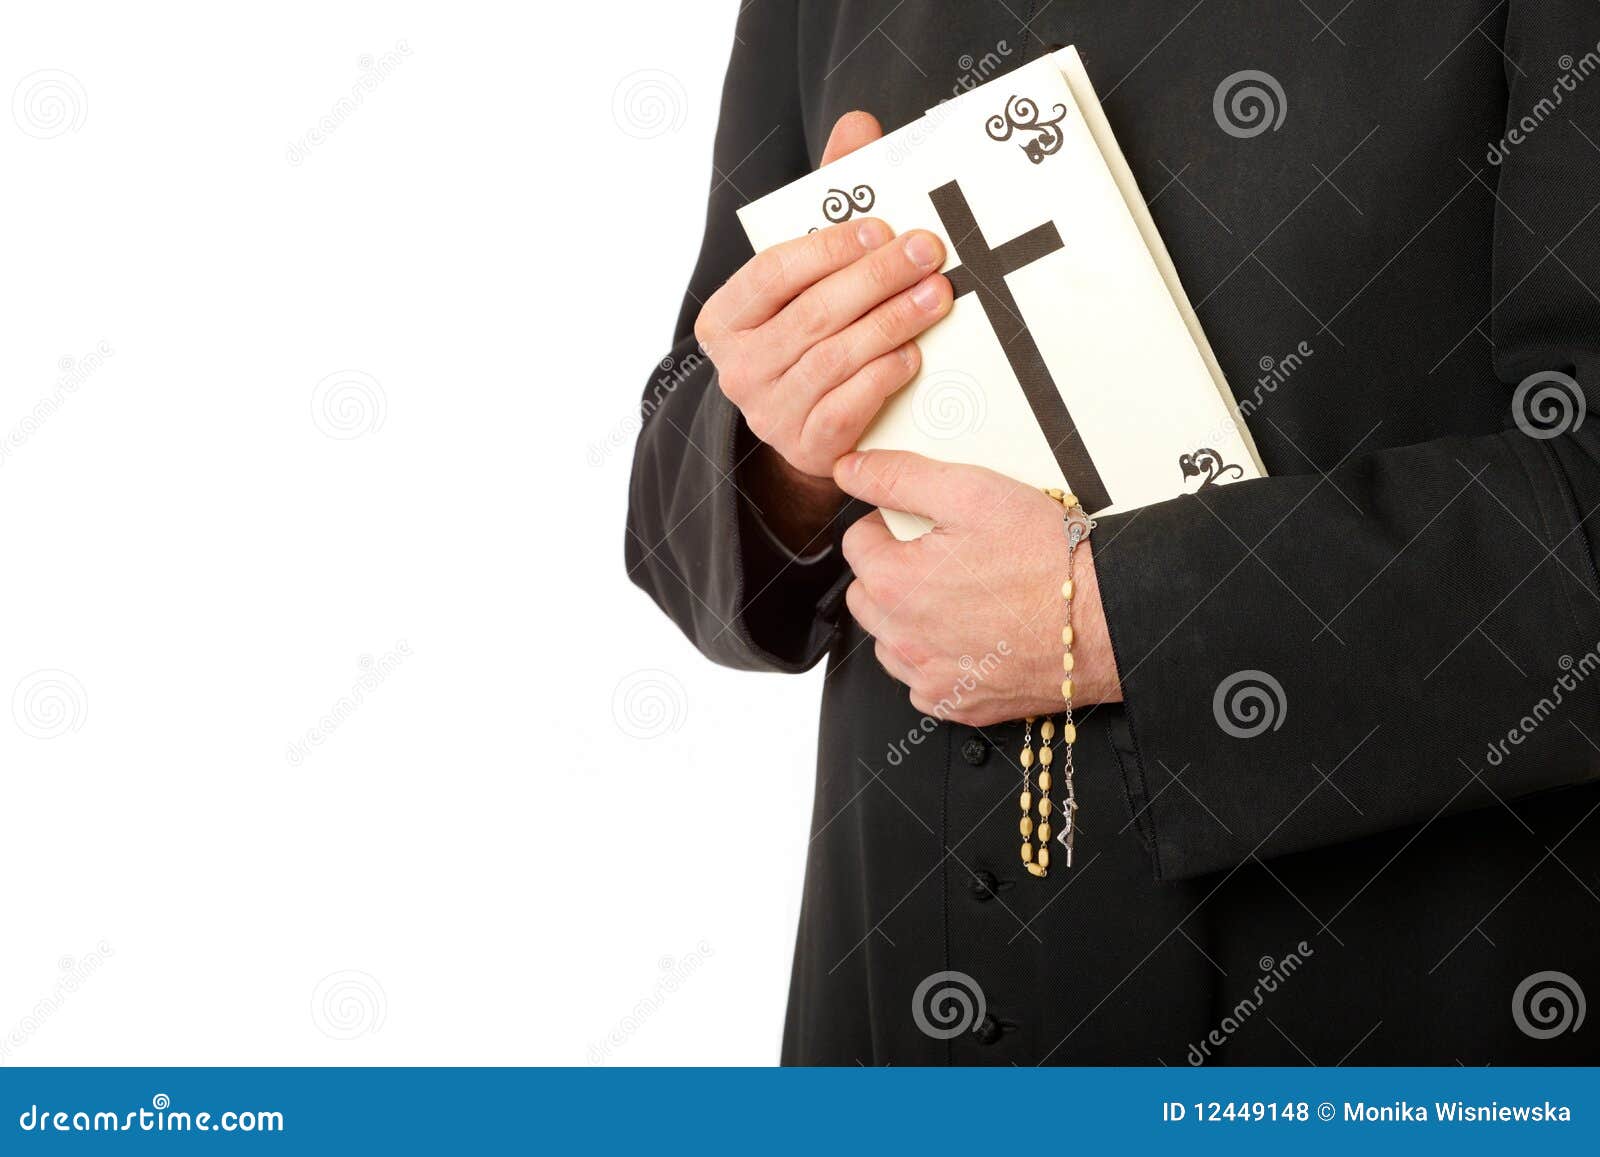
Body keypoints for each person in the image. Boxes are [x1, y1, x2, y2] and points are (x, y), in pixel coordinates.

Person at [626, 1, 1600, 1064]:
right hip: (898, 991)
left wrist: (1118, 612)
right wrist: (785, 437)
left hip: (1378, 996)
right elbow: (684, 482)